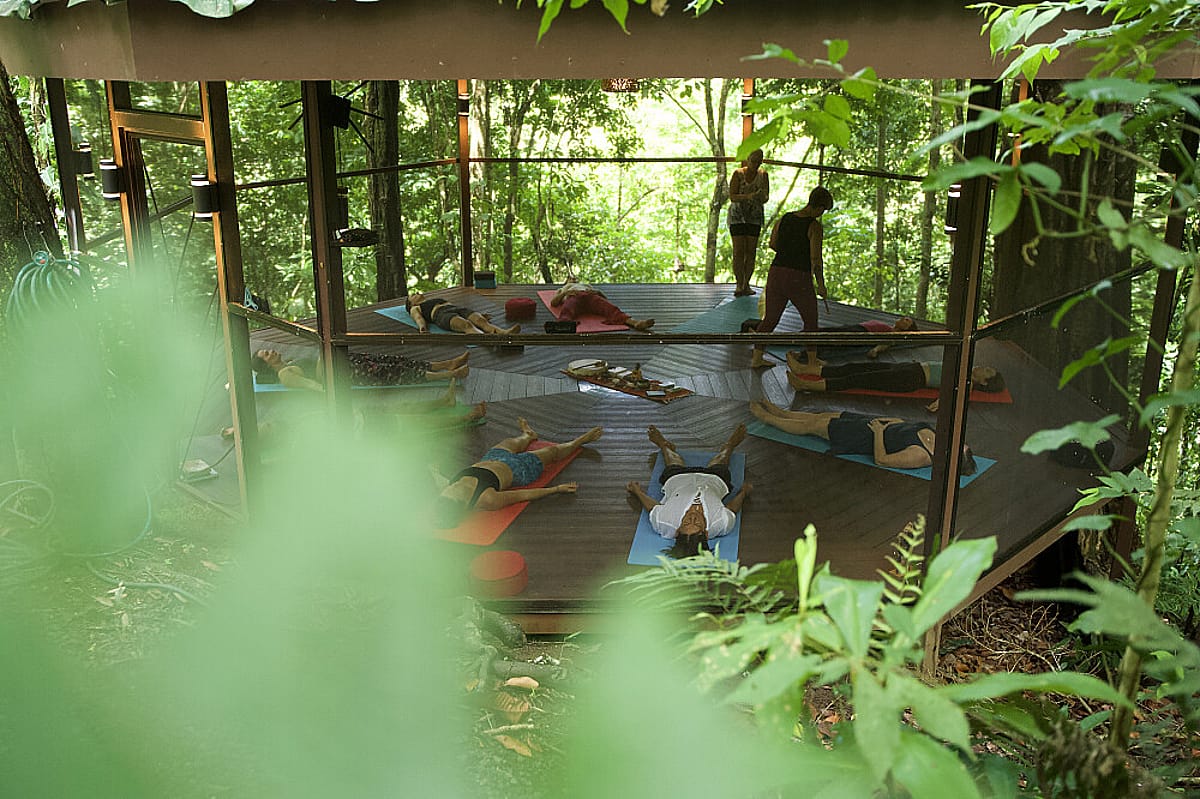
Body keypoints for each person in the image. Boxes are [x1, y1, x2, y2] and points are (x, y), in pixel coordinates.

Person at [431, 418, 603, 528]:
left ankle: (528, 436)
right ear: (460, 501)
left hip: (493, 457)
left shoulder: (447, 491)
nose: (451, 486)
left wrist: (433, 468)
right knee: (552, 453)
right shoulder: (487, 499)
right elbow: (523, 494)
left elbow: (437, 477)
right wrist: (556, 489)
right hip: (519, 468)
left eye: (448, 489)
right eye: (452, 490)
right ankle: (579, 441)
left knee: (510, 442)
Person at [626, 424, 752, 558]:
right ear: (707, 532)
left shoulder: (664, 523)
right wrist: (743, 493)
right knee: (721, 463)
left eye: (686, 522)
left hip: (678, 480)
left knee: (673, 462)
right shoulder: (721, 525)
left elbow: (652, 507)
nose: (692, 517)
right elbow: (731, 508)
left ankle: (664, 446)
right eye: (697, 523)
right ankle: (729, 446)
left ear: (677, 531)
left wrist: (637, 492)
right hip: (713, 481)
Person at [749, 399, 977, 474]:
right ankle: (783, 413)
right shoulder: (940, 437)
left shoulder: (921, 456)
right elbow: (907, 426)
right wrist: (893, 422)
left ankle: (768, 419)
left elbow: (882, 459)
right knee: (822, 415)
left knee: (815, 425)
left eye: (961, 447)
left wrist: (878, 432)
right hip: (873, 422)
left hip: (864, 436)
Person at [750, 185, 834, 370]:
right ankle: (812, 361)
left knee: (770, 319)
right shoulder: (814, 226)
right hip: (798, 276)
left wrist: (789, 251)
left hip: (776, 272)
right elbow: (815, 258)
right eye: (823, 210)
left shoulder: (785, 218)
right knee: (810, 319)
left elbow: (773, 243)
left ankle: (756, 358)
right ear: (819, 207)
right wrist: (821, 284)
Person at [252, 348, 469, 390]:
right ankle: (450, 374)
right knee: (393, 373)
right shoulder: (284, 374)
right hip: (344, 374)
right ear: (267, 365)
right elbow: (312, 384)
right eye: (266, 355)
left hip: (341, 362)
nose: (271, 352)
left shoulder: (288, 363)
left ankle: (445, 364)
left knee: (395, 361)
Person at [785, 358, 1005, 395]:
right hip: (909, 368)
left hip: (910, 379)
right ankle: (806, 370)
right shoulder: (966, 368)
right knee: (856, 367)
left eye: (987, 371)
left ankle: (806, 385)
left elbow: (957, 396)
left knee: (859, 378)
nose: (983, 367)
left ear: (984, 381)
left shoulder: (968, 384)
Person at [728, 148, 770, 297]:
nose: (756, 164)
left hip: (754, 215)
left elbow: (766, 197)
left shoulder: (763, 175)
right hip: (738, 216)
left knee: (751, 251)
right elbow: (732, 196)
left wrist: (760, 196)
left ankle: (747, 283)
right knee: (739, 251)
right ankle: (739, 283)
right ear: (748, 159)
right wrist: (749, 196)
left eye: (759, 162)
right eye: (753, 161)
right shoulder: (738, 174)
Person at [550, 282, 655, 331]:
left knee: (611, 309)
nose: (573, 278)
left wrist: (596, 292)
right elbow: (554, 302)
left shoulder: (586, 285)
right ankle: (563, 325)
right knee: (567, 310)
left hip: (590, 297)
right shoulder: (564, 288)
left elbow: (604, 298)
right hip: (574, 297)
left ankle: (635, 323)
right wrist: (566, 293)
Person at [406, 292, 520, 335]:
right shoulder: (415, 308)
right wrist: (422, 328)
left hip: (457, 308)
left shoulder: (432, 300)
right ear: (411, 303)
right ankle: (489, 340)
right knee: (466, 325)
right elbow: (418, 318)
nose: (416, 293)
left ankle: (505, 333)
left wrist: (480, 314)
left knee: (481, 321)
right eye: (413, 295)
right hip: (441, 315)